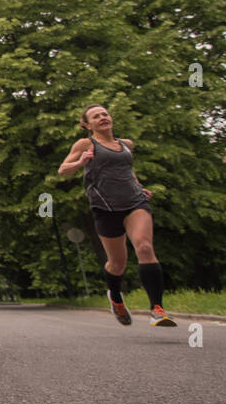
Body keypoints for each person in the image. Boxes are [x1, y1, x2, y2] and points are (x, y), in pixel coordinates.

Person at [57, 104, 176, 327]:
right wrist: (81, 162)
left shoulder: (126, 145)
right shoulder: (86, 144)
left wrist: (139, 186)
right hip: (105, 208)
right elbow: (63, 169)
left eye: (105, 114)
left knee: (144, 248)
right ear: (87, 125)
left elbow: (127, 169)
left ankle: (157, 309)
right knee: (116, 264)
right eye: (96, 116)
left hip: (135, 203)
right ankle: (115, 296)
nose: (103, 117)